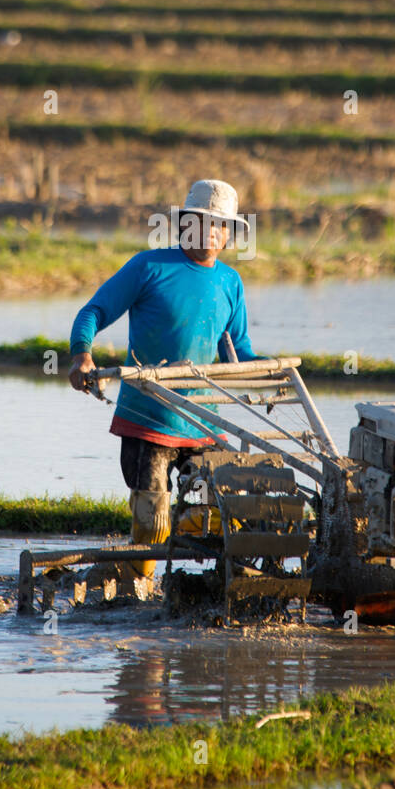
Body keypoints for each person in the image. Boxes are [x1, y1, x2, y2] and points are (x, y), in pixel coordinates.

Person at [68, 178, 256, 581]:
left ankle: (207, 593)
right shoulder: (149, 267)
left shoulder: (230, 284)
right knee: (153, 523)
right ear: (184, 224)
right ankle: (137, 592)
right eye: (202, 222)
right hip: (148, 421)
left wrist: (270, 371)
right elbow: (94, 311)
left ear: (229, 234)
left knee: (215, 515)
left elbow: (239, 351)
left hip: (204, 425)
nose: (212, 233)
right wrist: (82, 353)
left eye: (221, 225)